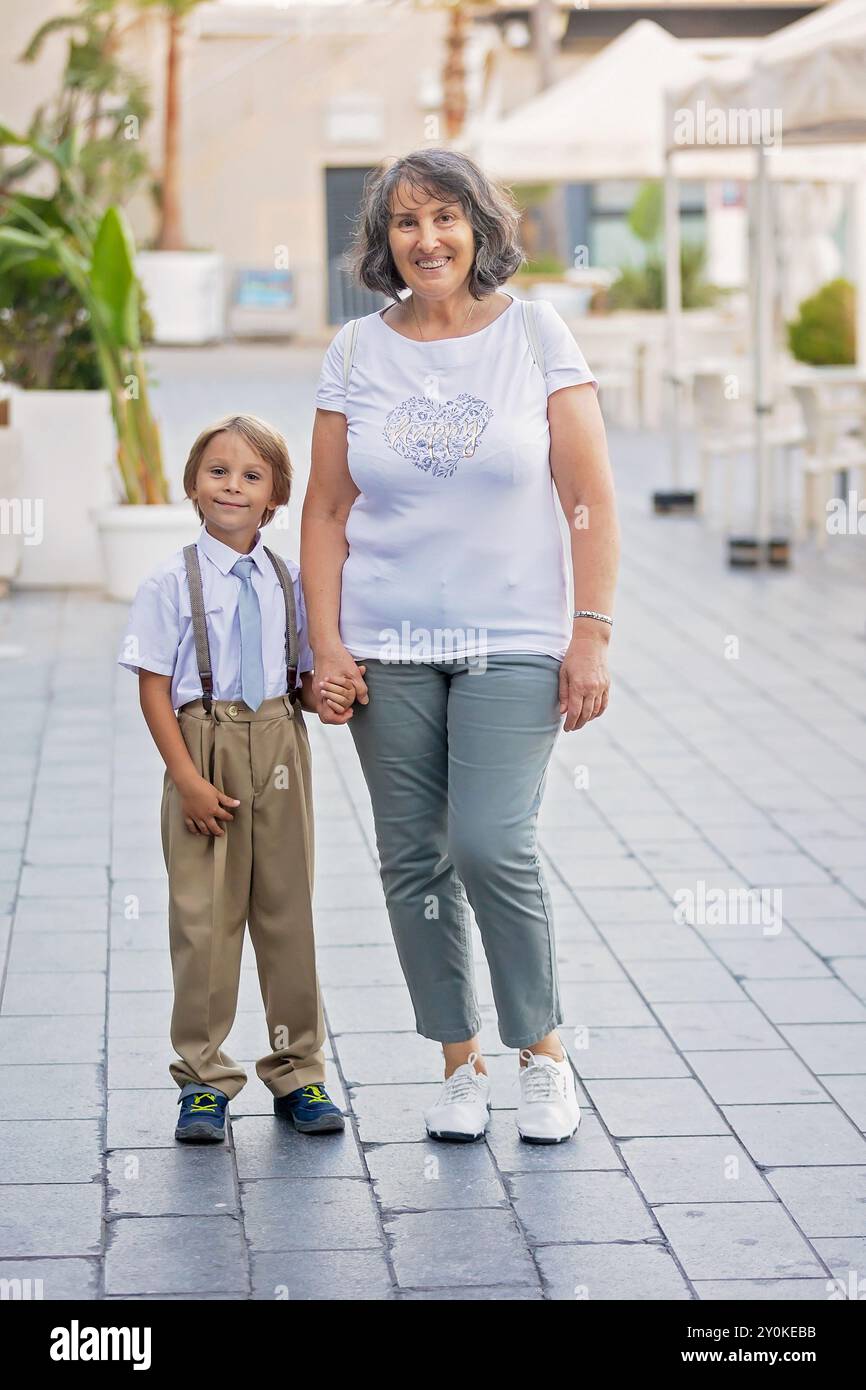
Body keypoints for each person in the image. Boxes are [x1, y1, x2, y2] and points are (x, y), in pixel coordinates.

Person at [302, 149, 620, 1146]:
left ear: (480, 227)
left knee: (491, 842)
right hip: (386, 640)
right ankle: (456, 1062)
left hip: (514, 635)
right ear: (382, 241)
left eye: (444, 217)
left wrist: (590, 634)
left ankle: (541, 1055)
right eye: (404, 222)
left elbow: (586, 496)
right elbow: (323, 507)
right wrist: (326, 643)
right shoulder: (355, 351)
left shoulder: (532, 332)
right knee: (412, 860)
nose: (425, 238)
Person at [117, 413, 353, 1143]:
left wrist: (331, 696)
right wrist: (186, 779)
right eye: (218, 472)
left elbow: (306, 676)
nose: (232, 486)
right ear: (193, 484)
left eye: (252, 475)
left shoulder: (292, 580)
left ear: (277, 495)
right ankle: (203, 1079)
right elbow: (154, 685)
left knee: (288, 914)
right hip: (204, 742)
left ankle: (299, 1069)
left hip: (280, 739)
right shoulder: (168, 582)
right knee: (203, 921)